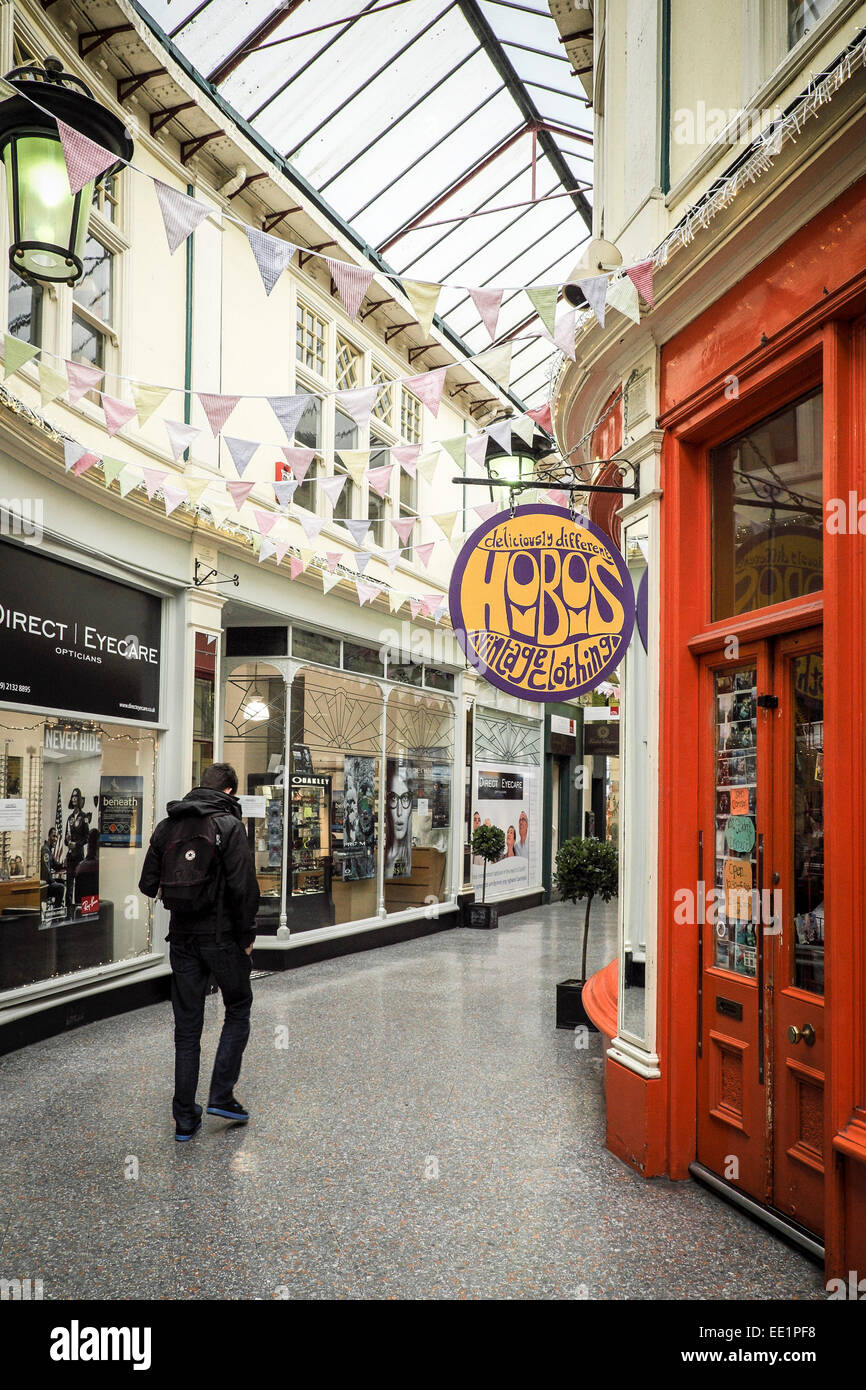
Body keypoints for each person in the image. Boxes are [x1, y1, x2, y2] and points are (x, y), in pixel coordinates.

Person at [139, 763, 261, 1142]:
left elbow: (147, 884)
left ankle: (185, 1119)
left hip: (183, 940)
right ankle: (222, 1095)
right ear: (228, 791)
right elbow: (244, 888)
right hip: (223, 937)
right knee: (238, 1008)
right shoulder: (229, 825)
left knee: (187, 1027)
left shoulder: (167, 825)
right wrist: (247, 935)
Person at [64, 788, 91, 917]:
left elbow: (87, 837)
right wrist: (67, 840)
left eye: (76, 796)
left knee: (79, 885)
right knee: (68, 886)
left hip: (79, 856)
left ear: (79, 799)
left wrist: (77, 844)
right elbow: (64, 840)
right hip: (70, 856)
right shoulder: (69, 818)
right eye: (72, 796)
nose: (74, 798)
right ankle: (68, 913)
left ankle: (79, 913)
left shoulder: (84, 817)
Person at [384, 763, 412, 878]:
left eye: (405, 798)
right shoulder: (386, 855)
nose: (399, 812)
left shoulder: (408, 857)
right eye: (393, 799)